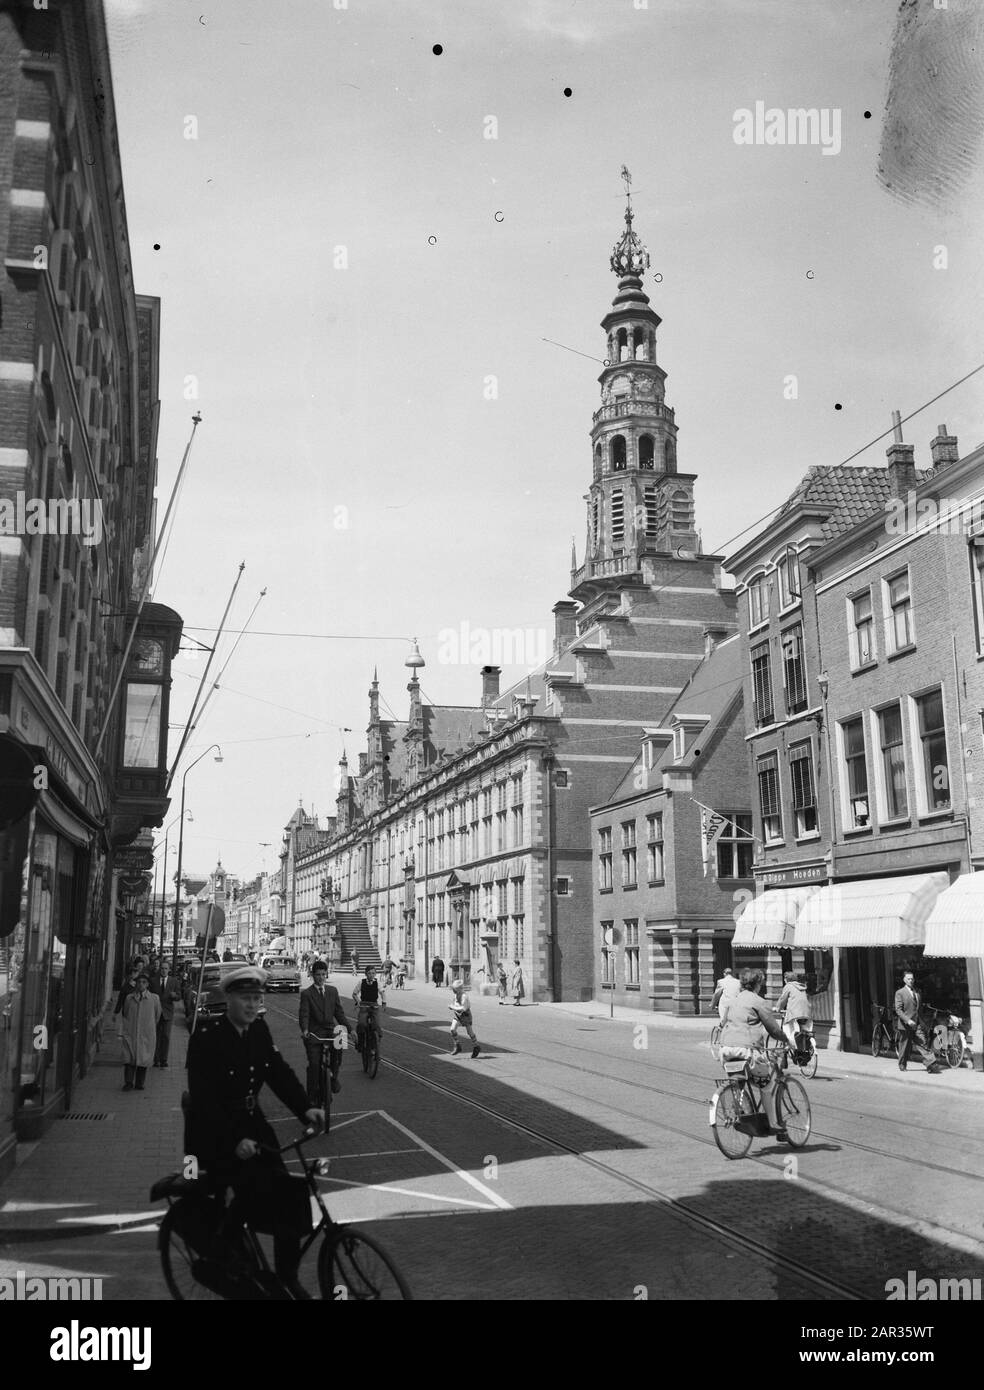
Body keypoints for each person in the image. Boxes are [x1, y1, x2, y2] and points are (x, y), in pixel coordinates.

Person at [185, 966, 325, 1300]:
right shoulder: (206, 1038)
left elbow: (278, 1073)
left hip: (252, 1123)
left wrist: (306, 1107)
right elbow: (204, 1102)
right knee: (250, 1190)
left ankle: (287, 1276)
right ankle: (218, 1258)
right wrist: (235, 1141)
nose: (252, 1005)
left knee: (290, 1195)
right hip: (214, 1133)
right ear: (229, 999)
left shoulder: (259, 1030)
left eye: (257, 999)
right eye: (246, 999)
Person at [718, 967, 792, 1137]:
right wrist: (787, 1041)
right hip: (746, 1050)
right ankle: (773, 1123)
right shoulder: (759, 1001)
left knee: (740, 1078)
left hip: (725, 1049)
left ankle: (740, 1111)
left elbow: (723, 1023)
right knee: (767, 1085)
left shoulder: (732, 1001)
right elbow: (773, 1029)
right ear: (758, 984)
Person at [299, 960, 352, 1102]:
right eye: (318, 975)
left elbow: (339, 1013)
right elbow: (304, 1014)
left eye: (323, 974)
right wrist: (305, 1030)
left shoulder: (332, 991)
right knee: (315, 1064)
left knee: (339, 1048)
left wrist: (350, 1030)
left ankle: (334, 1077)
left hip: (330, 1030)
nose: (321, 977)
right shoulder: (307, 994)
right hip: (314, 1033)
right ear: (312, 975)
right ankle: (311, 1096)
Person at [895, 971, 941, 1074]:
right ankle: (902, 1064)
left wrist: (922, 1022)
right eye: (908, 979)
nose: (911, 981)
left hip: (917, 1024)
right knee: (905, 1046)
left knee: (922, 1043)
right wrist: (907, 1020)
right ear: (904, 980)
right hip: (905, 1025)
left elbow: (918, 1009)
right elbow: (898, 1010)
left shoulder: (917, 992)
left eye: (912, 979)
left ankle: (931, 1064)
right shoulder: (900, 993)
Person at [121, 972, 161, 1091]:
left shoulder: (154, 999)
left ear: (147, 984)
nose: (141, 984)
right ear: (136, 984)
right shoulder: (129, 998)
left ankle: (139, 1083)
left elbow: (157, 1015)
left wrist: (149, 1027)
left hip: (146, 1034)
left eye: (144, 982)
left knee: (143, 1059)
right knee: (129, 1058)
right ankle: (128, 1082)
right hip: (132, 1032)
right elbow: (126, 1013)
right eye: (139, 982)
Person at [152, 959, 183, 1067]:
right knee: (155, 1036)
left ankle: (163, 1059)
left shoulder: (173, 981)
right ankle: (155, 1059)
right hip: (155, 1013)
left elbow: (179, 996)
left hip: (168, 1012)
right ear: (159, 969)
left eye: (166, 968)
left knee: (166, 1036)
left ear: (169, 970)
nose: (164, 970)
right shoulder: (153, 981)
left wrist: (175, 996)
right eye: (162, 968)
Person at [774, 970, 813, 1050]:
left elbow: (782, 999)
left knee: (786, 1028)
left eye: (784, 978)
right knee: (803, 1031)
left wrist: (777, 1008)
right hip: (806, 1013)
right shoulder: (802, 986)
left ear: (786, 979)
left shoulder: (788, 986)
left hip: (795, 1014)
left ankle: (789, 1045)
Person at [352, 964, 385, 1053]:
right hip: (364, 1006)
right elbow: (354, 993)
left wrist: (384, 1002)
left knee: (377, 1024)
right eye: (369, 973)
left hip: (374, 1006)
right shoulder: (361, 982)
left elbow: (382, 993)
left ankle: (375, 1045)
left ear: (375, 974)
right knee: (362, 1024)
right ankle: (360, 1043)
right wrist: (358, 1002)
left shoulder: (378, 982)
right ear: (366, 974)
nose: (371, 975)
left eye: (373, 973)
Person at [448, 979, 480, 1058]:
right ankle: (457, 1045)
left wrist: (453, 1007)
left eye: (454, 989)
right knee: (452, 1029)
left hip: (465, 1016)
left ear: (458, 989)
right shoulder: (456, 994)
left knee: (470, 1032)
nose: (453, 990)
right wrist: (453, 1006)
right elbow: (455, 1003)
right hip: (457, 1015)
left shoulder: (464, 996)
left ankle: (476, 1046)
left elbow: (463, 1008)